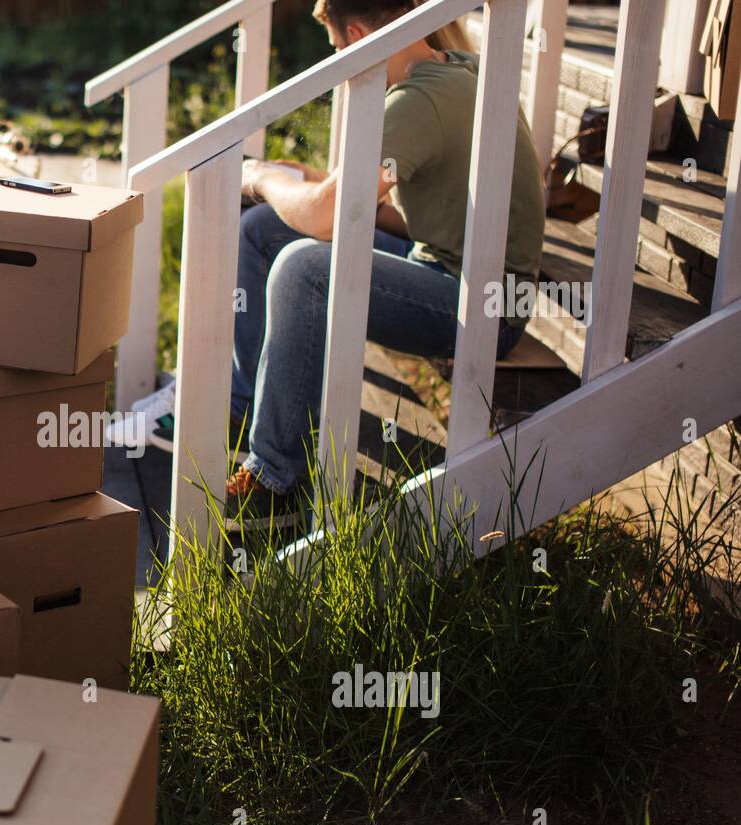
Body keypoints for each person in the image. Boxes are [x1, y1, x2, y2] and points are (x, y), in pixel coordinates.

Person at [141, 0, 544, 529]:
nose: (339, 62)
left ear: (356, 35)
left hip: (482, 307)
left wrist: (264, 176)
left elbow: (328, 219)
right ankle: (245, 406)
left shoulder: (416, 102)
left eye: (336, 51)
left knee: (305, 270)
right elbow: (409, 213)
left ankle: (276, 482)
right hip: (450, 268)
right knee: (262, 230)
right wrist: (312, 183)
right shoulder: (453, 69)